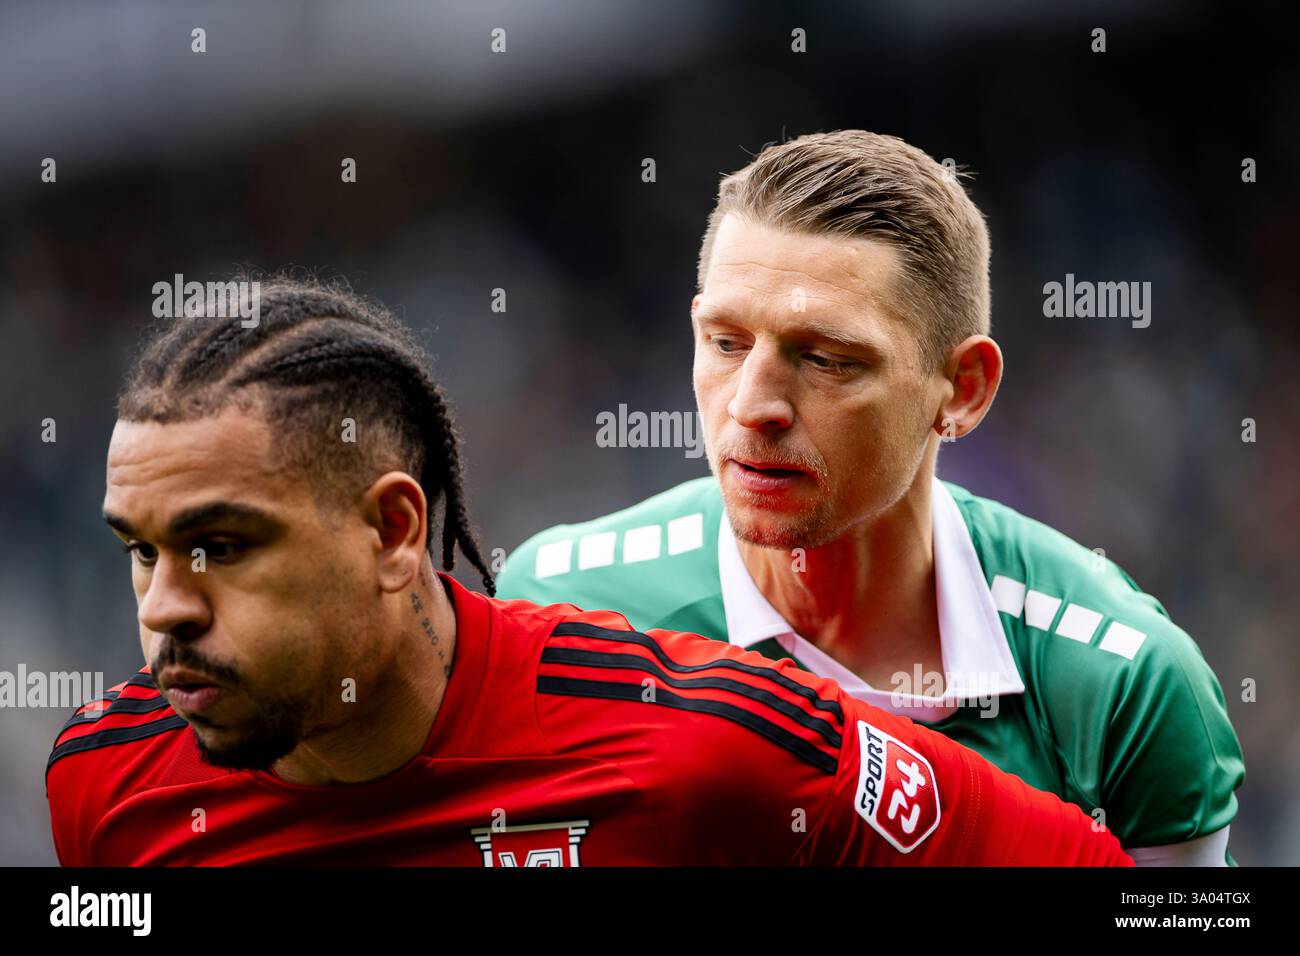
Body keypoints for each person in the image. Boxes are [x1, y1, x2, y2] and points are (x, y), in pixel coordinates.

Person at [47, 277, 1129, 866]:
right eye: (140, 552)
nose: (164, 611)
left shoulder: (705, 744)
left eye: (220, 547)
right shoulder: (105, 786)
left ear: (389, 531)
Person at [496, 130, 1244, 865]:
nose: (751, 406)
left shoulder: (1123, 688)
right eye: (725, 343)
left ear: (964, 390)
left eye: (825, 359)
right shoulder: (562, 608)